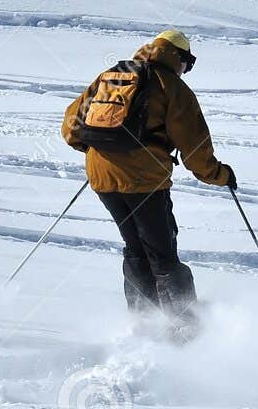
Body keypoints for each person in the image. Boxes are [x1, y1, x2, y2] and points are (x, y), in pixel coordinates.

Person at [61, 29, 236, 330]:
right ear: (179, 57)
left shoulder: (113, 75)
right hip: (143, 180)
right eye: (188, 63)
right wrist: (220, 175)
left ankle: (143, 320)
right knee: (162, 253)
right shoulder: (173, 88)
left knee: (134, 245)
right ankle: (185, 327)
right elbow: (195, 151)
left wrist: (101, 151)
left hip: (101, 177)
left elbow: (70, 127)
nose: (186, 70)